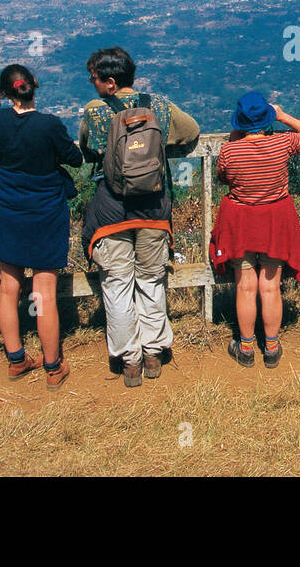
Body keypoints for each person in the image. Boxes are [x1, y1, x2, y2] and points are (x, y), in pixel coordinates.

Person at [0, 64, 83, 390]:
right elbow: (76, 159)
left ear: (4, 92)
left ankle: (16, 360)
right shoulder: (49, 125)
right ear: (34, 86)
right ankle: (53, 367)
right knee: (44, 293)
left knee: (9, 289)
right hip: (46, 215)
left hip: (9, 211)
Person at [78, 47, 200, 387]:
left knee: (116, 285)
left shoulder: (96, 110)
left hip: (111, 209)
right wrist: (159, 153)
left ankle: (128, 362)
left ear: (111, 83)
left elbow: (86, 148)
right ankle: (153, 354)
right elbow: (191, 130)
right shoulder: (158, 105)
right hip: (154, 208)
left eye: (95, 79)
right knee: (151, 281)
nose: (92, 84)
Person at [210, 92, 300, 368]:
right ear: (267, 119)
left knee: (245, 286)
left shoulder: (229, 151)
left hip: (241, 224)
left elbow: (223, 177)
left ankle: (246, 347)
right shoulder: (282, 143)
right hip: (274, 223)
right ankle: (271, 347)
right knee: (270, 287)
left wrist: (238, 132)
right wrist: (280, 114)